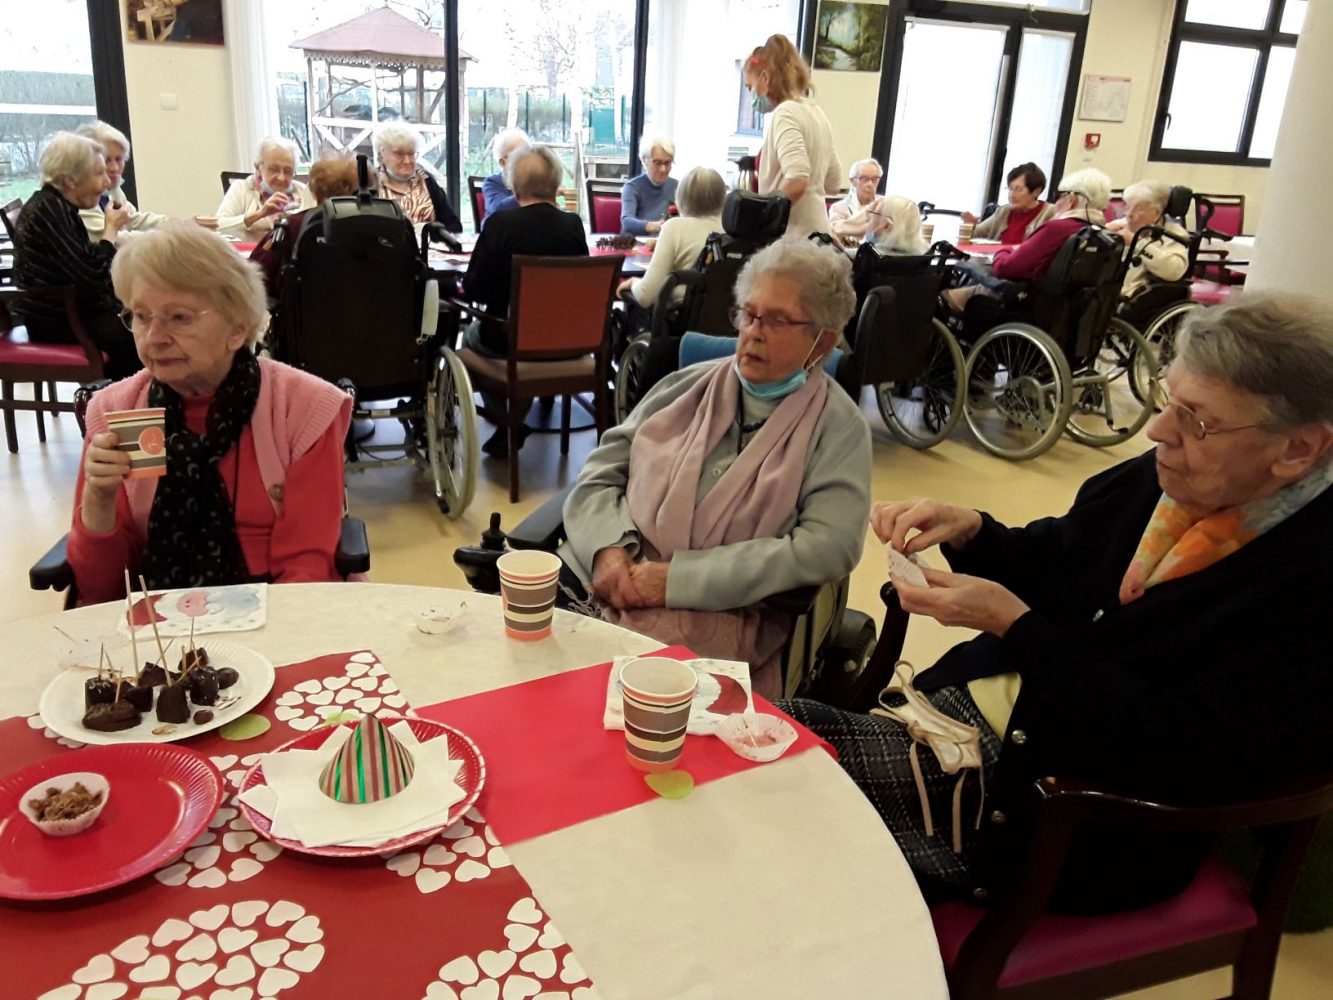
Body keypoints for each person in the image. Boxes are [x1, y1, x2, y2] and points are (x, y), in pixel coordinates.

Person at [781, 292, 1333, 913]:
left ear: (1297, 450)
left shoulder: (1309, 584)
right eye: (1168, 399)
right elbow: (1061, 557)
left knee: (779, 809)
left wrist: (1015, 627)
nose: (1157, 431)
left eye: (1197, 419)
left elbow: (1179, 752)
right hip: (971, 730)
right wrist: (973, 531)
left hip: (1054, 812)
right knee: (758, 739)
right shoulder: (1161, 482)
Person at [562, 237, 872, 698]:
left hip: (726, 614)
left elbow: (828, 547)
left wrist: (677, 581)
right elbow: (600, 473)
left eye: (777, 320)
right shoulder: (682, 387)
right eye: (747, 314)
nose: (753, 332)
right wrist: (608, 549)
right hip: (607, 583)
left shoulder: (837, 427)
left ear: (822, 341)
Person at [68, 222, 352, 604]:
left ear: (237, 328)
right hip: (154, 625)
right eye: (140, 315)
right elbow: (101, 591)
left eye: (179, 317)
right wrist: (99, 500)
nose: (154, 338)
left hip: (278, 610)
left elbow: (307, 567)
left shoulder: (302, 410)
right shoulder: (116, 413)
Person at [461, 144, 587, 457]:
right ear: (556, 185)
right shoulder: (573, 225)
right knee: (515, 331)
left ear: (514, 186)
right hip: (566, 341)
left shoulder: (500, 224)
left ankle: (509, 420)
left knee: (471, 335)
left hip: (509, 341)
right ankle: (520, 413)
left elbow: (475, 290)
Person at [12, 132, 140, 379]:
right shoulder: (50, 210)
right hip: (57, 321)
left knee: (144, 314)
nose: (106, 182)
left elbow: (86, 266)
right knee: (140, 329)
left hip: (67, 312)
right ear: (70, 180)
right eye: (98, 173)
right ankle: (123, 407)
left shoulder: (58, 205)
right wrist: (111, 230)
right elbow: (90, 281)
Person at [942, 167, 1112, 314]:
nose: (1057, 201)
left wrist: (1005, 250)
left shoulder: (1058, 228)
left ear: (1072, 199)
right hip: (1061, 307)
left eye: (1060, 195)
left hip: (1022, 300)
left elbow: (1006, 268)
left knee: (939, 299)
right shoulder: (1097, 233)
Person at [744, 34, 841, 238]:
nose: (751, 94)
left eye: (749, 86)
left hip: (793, 238)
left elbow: (797, 179)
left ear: (765, 77)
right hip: (820, 233)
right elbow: (833, 182)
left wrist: (763, 215)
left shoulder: (785, 113)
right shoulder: (816, 111)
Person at [249, 157, 359, 299]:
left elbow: (255, 275)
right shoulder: (377, 227)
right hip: (367, 317)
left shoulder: (292, 226)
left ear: (313, 190)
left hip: (301, 317)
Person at [617, 166, 725, 309]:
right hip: (723, 322)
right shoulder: (730, 229)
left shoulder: (675, 227)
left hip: (681, 320)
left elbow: (646, 296)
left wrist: (634, 282)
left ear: (681, 198)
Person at [75, 120, 166, 242]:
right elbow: (112, 240)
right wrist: (167, 237)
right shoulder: (80, 198)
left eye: (118, 159)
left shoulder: (112, 190)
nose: (114, 168)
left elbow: (133, 220)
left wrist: (183, 224)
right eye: (106, 160)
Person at [1107, 179, 1190, 298]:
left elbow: (1174, 271)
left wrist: (1138, 243)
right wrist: (1104, 234)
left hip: (1133, 294)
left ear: (1156, 213)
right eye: (1127, 206)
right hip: (1107, 288)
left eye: (1138, 209)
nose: (1129, 214)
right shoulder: (1119, 225)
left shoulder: (1174, 234)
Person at [214, 137, 315, 234]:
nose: (281, 177)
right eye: (274, 169)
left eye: (288, 171)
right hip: (251, 251)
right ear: (258, 168)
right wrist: (259, 214)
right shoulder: (242, 188)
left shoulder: (302, 191)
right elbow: (219, 226)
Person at [373, 123, 462, 231]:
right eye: (399, 154)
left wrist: (432, 231)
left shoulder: (425, 180)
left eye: (411, 154)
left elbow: (454, 225)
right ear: (381, 156)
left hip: (428, 246)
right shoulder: (371, 182)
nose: (407, 161)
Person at [962, 162, 1057, 244]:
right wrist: (971, 225)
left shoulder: (1050, 213)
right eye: (1010, 188)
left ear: (1036, 191)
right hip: (995, 262)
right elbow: (976, 233)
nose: (1012, 194)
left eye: (1019, 189)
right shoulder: (1003, 211)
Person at [620, 136, 679, 236]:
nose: (663, 169)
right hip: (639, 245)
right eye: (658, 163)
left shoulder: (678, 187)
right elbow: (627, 222)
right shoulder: (632, 187)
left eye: (667, 163)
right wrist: (658, 226)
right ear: (644, 161)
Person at [828, 158, 883, 240]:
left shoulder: (884, 204)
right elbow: (835, 230)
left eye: (874, 179)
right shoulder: (838, 208)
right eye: (864, 179)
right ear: (852, 181)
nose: (870, 184)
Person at [481, 128, 529, 220]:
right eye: (520, 156)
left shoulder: (534, 181)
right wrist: (537, 193)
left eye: (529, 153)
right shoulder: (492, 183)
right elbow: (498, 208)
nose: (528, 159)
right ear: (503, 162)